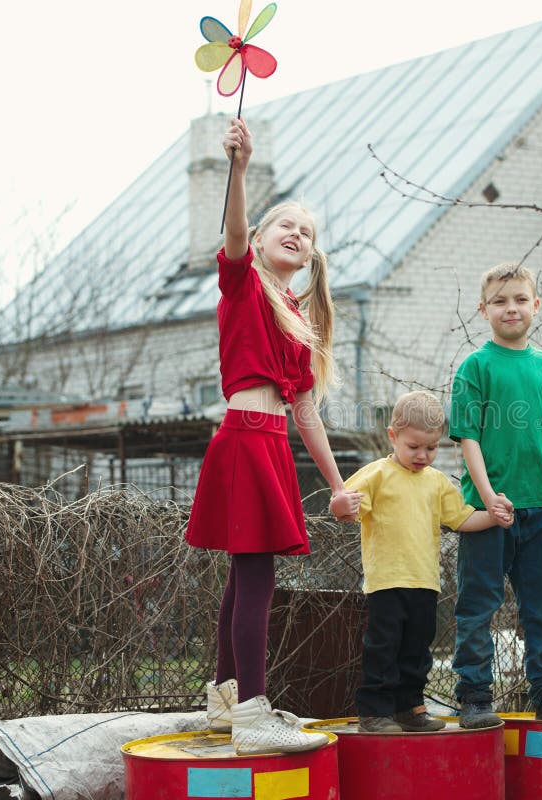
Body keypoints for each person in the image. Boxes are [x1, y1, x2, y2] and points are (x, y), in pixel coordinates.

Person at [185, 117, 362, 755]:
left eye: (306, 232)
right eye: (284, 224)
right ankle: (253, 716)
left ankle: (225, 700)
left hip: (272, 445)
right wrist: (239, 167)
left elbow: (306, 411)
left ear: (311, 254)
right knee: (256, 578)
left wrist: (337, 486)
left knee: (245, 578)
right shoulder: (242, 285)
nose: (296, 233)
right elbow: (232, 233)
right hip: (243, 439)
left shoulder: (296, 317)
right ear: (259, 241)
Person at [449, 263, 542, 728]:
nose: (510, 308)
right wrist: (489, 497)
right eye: (499, 301)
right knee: (478, 606)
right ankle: (474, 697)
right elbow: (468, 436)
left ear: (536, 305)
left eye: (519, 299)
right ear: (483, 310)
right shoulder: (475, 367)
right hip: (488, 511)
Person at [343, 390, 513, 733]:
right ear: (393, 436)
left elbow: (462, 519)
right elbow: (346, 506)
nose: (423, 455)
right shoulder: (376, 475)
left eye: (432, 448)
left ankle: (409, 708)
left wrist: (493, 516)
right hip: (386, 581)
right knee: (383, 647)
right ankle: (374, 712)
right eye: (414, 447)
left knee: (417, 650)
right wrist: (340, 506)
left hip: (424, 582)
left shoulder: (436, 482)